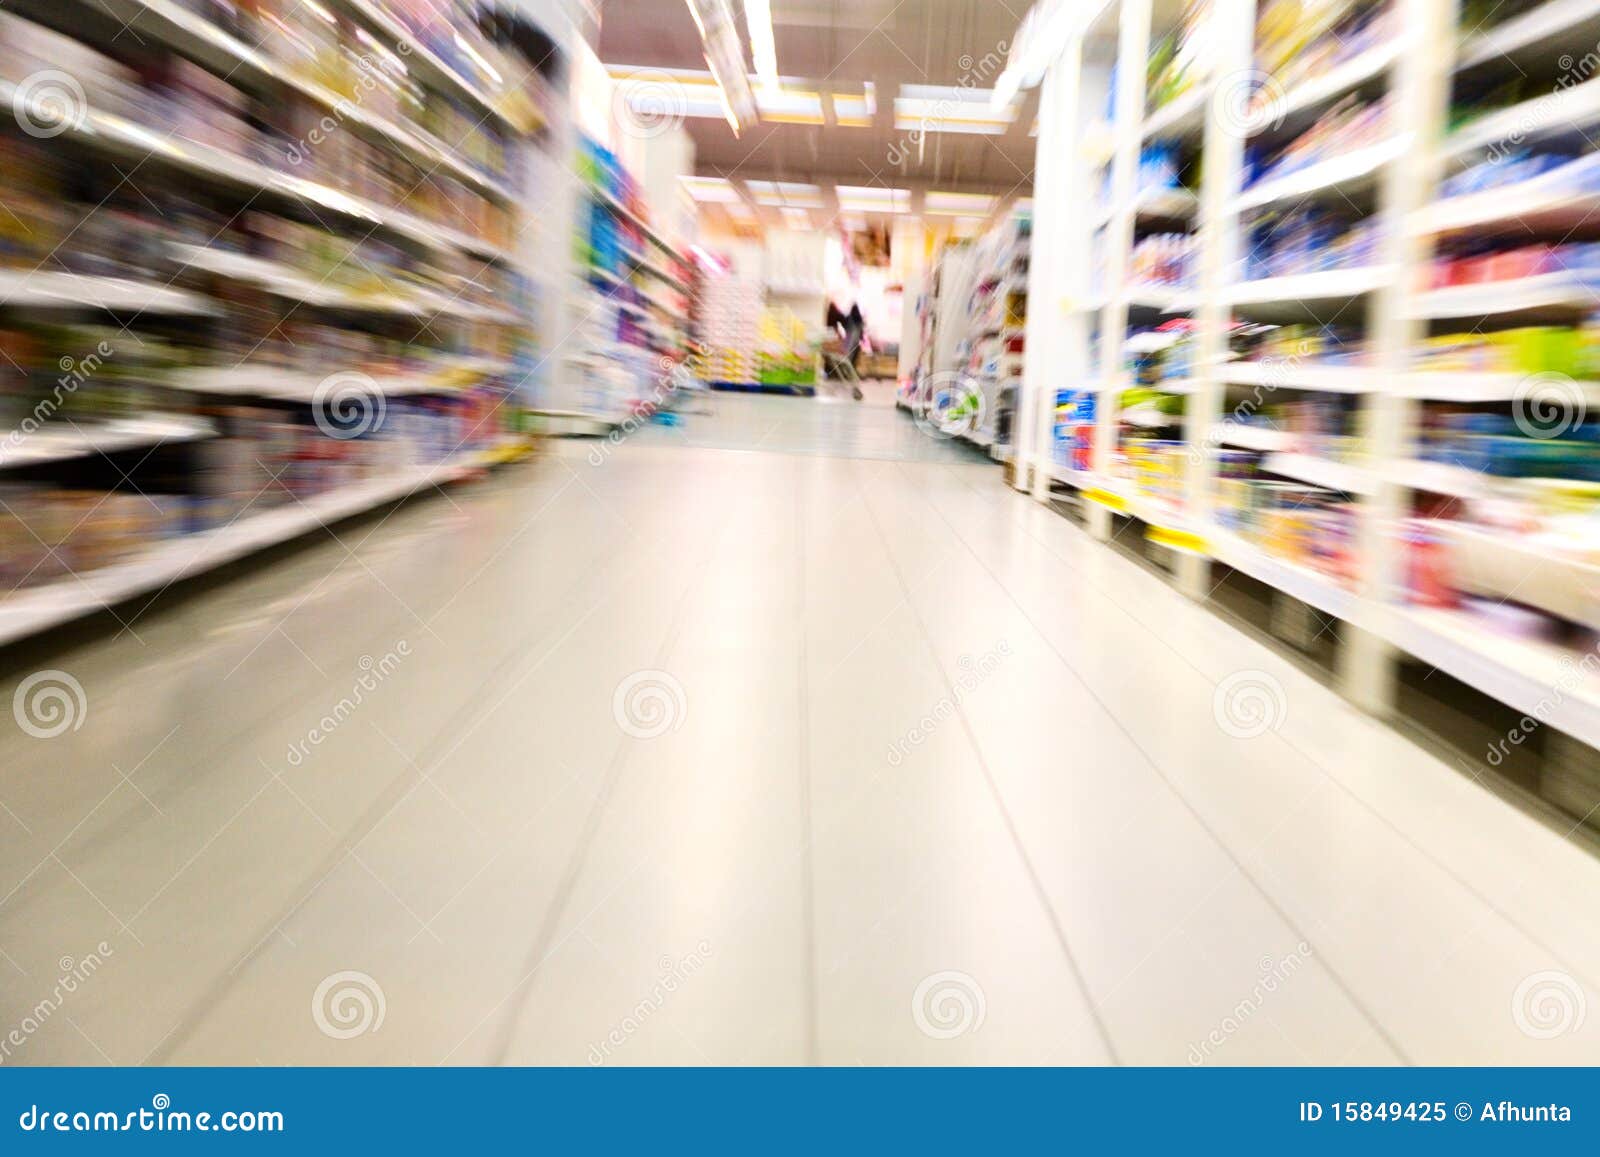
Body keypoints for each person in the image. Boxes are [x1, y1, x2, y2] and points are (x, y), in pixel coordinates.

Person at [825, 300, 866, 400]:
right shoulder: (856, 321)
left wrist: (843, 348)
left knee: (847, 364)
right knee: (849, 365)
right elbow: (854, 337)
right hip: (854, 346)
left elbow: (849, 338)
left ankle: (852, 384)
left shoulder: (847, 319)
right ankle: (852, 384)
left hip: (850, 346)